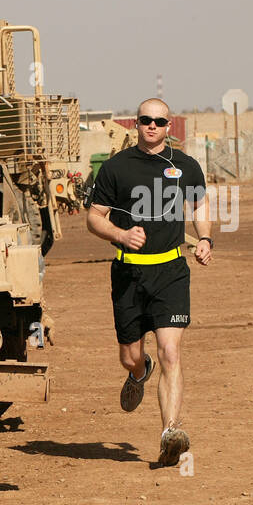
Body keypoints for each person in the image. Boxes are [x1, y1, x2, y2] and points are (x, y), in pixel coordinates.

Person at [85, 98, 212, 467]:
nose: (152, 126)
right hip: (128, 274)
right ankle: (140, 373)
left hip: (171, 273)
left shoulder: (186, 167)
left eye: (159, 121)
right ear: (136, 124)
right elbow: (94, 218)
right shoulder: (115, 168)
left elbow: (200, 205)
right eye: (145, 120)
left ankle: (170, 434)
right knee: (130, 356)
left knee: (171, 352)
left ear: (169, 126)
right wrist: (121, 236)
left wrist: (204, 239)